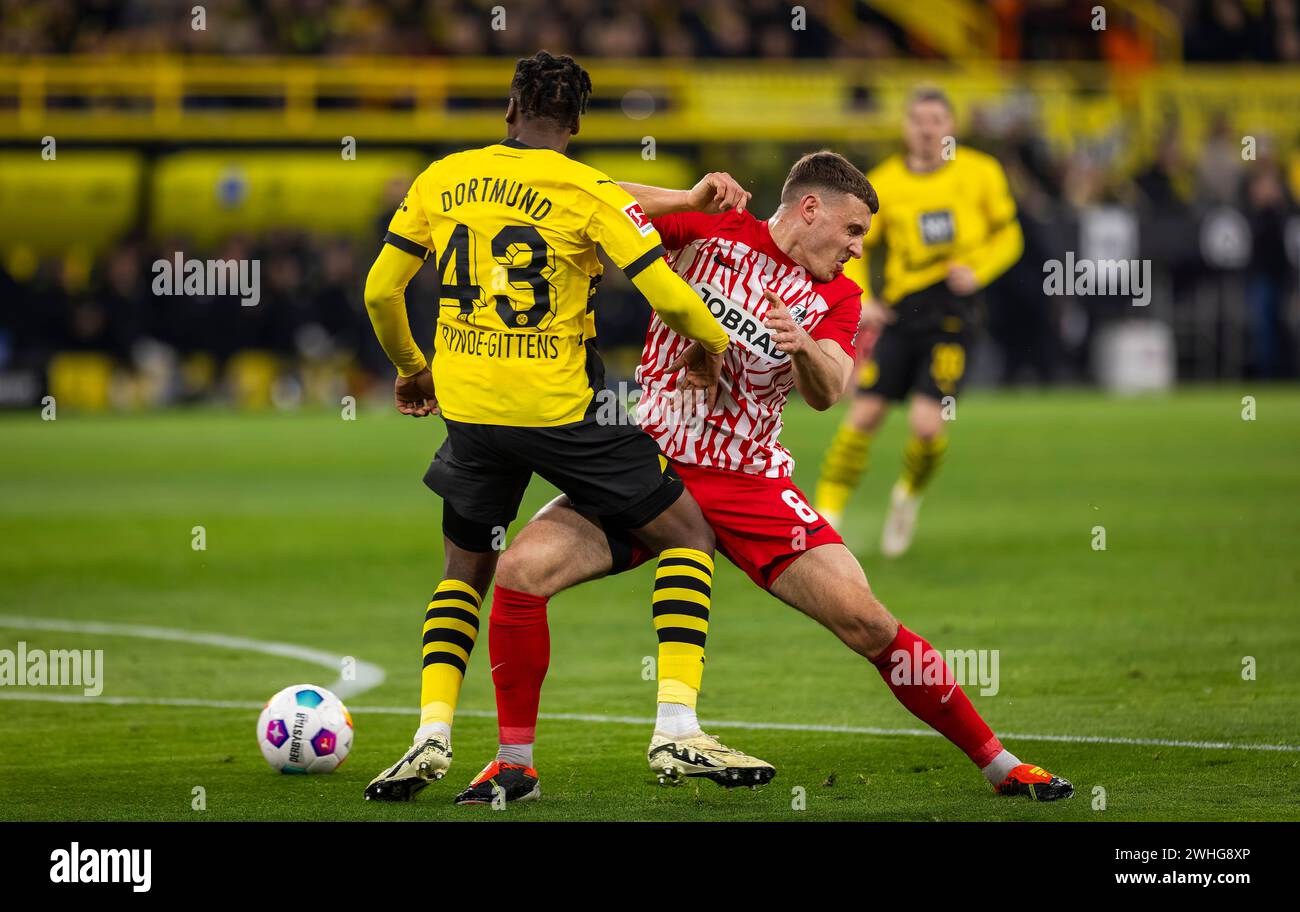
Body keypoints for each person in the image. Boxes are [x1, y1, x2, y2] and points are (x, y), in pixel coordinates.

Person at [461, 151, 1072, 805]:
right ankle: (514, 764)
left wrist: (803, 345)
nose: (856, 250)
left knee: (868, 623)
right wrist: (685, 196)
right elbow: (593, 197)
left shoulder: (837, 295)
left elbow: (829, 390)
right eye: (853, 231)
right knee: (522, 571)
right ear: (810, 209)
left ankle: (1000, 763)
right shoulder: (710, 228)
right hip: (649, 468)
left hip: (748, 481)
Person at [359, 50, 766, 802]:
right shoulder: (585, 189)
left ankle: (431, 734)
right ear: (576, 124)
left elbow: (382, 291)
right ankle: (677, 728)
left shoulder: (442, 177)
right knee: (688, 535)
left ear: (510, 109)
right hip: (559, 411)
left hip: (470, 410)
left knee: (464, 573)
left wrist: (413, 367)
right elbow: (670, 297)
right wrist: (712, 346)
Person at [815, 88, 1023, 556]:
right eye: (919, 121)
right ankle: (826, 519)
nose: (927, 129)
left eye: (936, 120)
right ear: (906, 127)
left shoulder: (980, 172)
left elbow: (1009, 234)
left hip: (954, 312)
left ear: (950, 126)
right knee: (864, 414)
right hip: (903, 311)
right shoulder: (885, 182)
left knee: (928, 426)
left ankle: (906, 497)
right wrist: (863, 295)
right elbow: (857, 242)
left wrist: (979, 270)